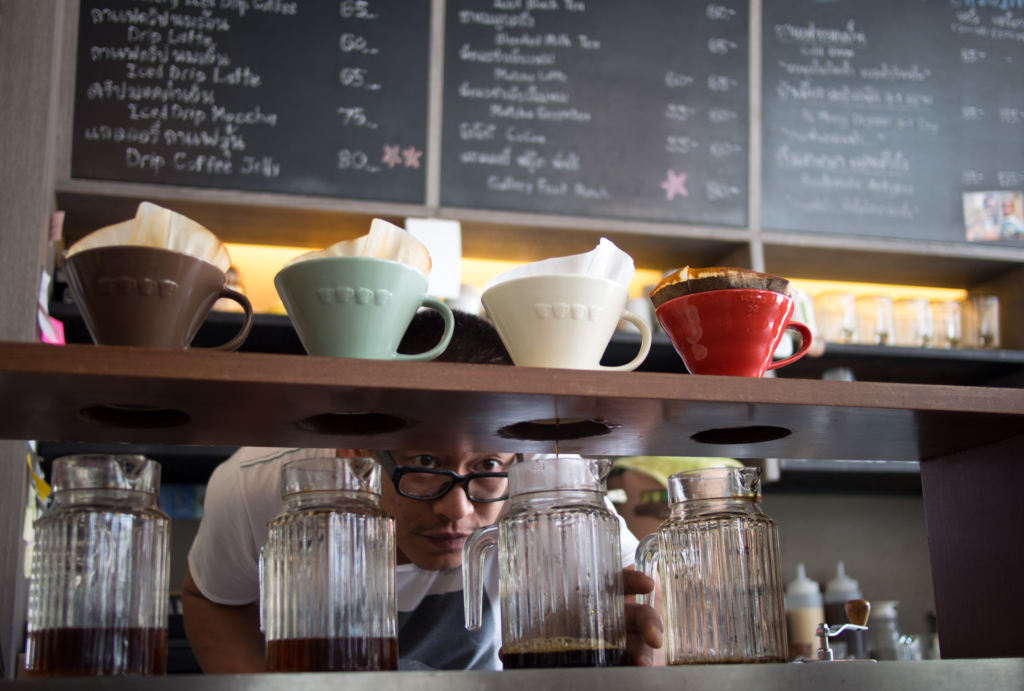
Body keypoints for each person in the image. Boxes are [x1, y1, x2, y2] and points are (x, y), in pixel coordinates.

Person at [182, 311, 663, 672]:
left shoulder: (550, 485)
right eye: (424, 464)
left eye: (488, 465)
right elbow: (214, 600)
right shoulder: (268, 486)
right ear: (356, 449)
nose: (456, 509)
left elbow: (647, 615)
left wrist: (641, 643)